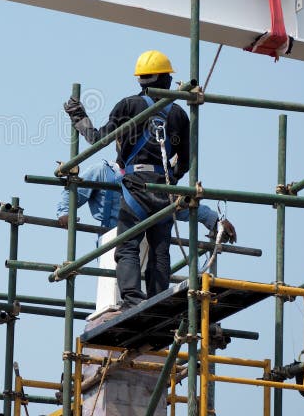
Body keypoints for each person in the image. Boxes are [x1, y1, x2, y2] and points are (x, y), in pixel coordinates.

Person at [63, 50, 225, 310]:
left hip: (135, 186)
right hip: (163, 187)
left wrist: (78, 117)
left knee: (127, 247)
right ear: (165, 79)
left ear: (141, 80)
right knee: (160, 250)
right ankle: (158, 302)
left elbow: (97, 138)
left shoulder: (129, 105)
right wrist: (170, 179)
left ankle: (132, 301)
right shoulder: (180, 115)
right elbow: (186, 161)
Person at [55, 159, 235, 237]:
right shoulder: (103, 172)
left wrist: (215, 221)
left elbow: (180, 207)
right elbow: (74, 191)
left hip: (145, 243)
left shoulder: (153, 178)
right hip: (111, 241)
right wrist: (64, 213)